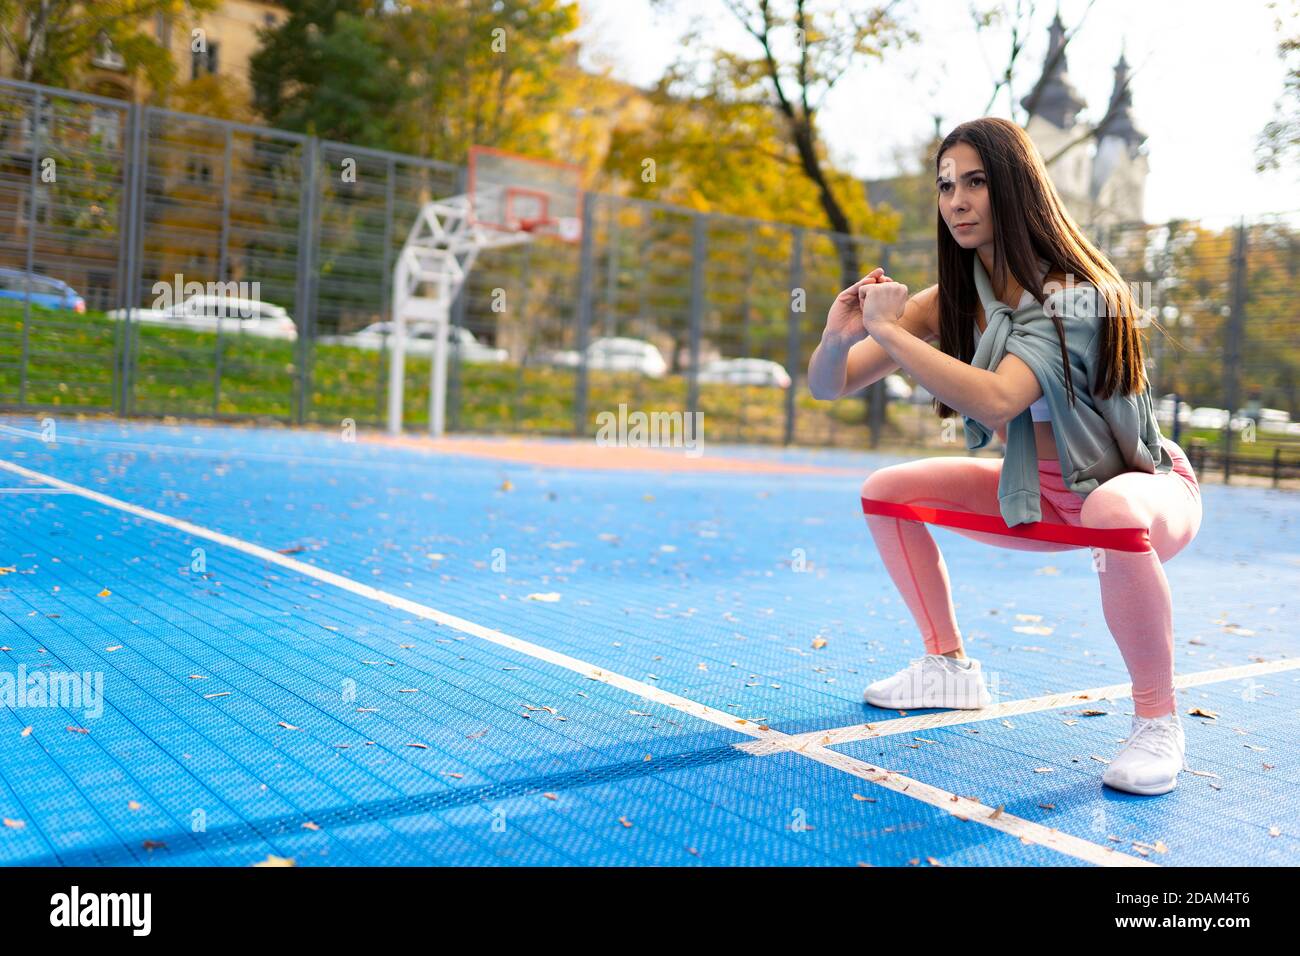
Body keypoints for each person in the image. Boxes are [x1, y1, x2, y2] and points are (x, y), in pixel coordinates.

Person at [807, 117, 1203, 797]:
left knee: (1109, 507)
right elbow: (828, 384)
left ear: (1015, 187)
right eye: (945, 185)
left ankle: (1157, 722)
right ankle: (948, 667)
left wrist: (889, 332)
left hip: (1141, 487)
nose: (956, 200)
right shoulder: (957, 300)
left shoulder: (1077, 297)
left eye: (976, 182)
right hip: (1039, 490)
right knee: (885, 488)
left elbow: (997, 402)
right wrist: (839, 336)